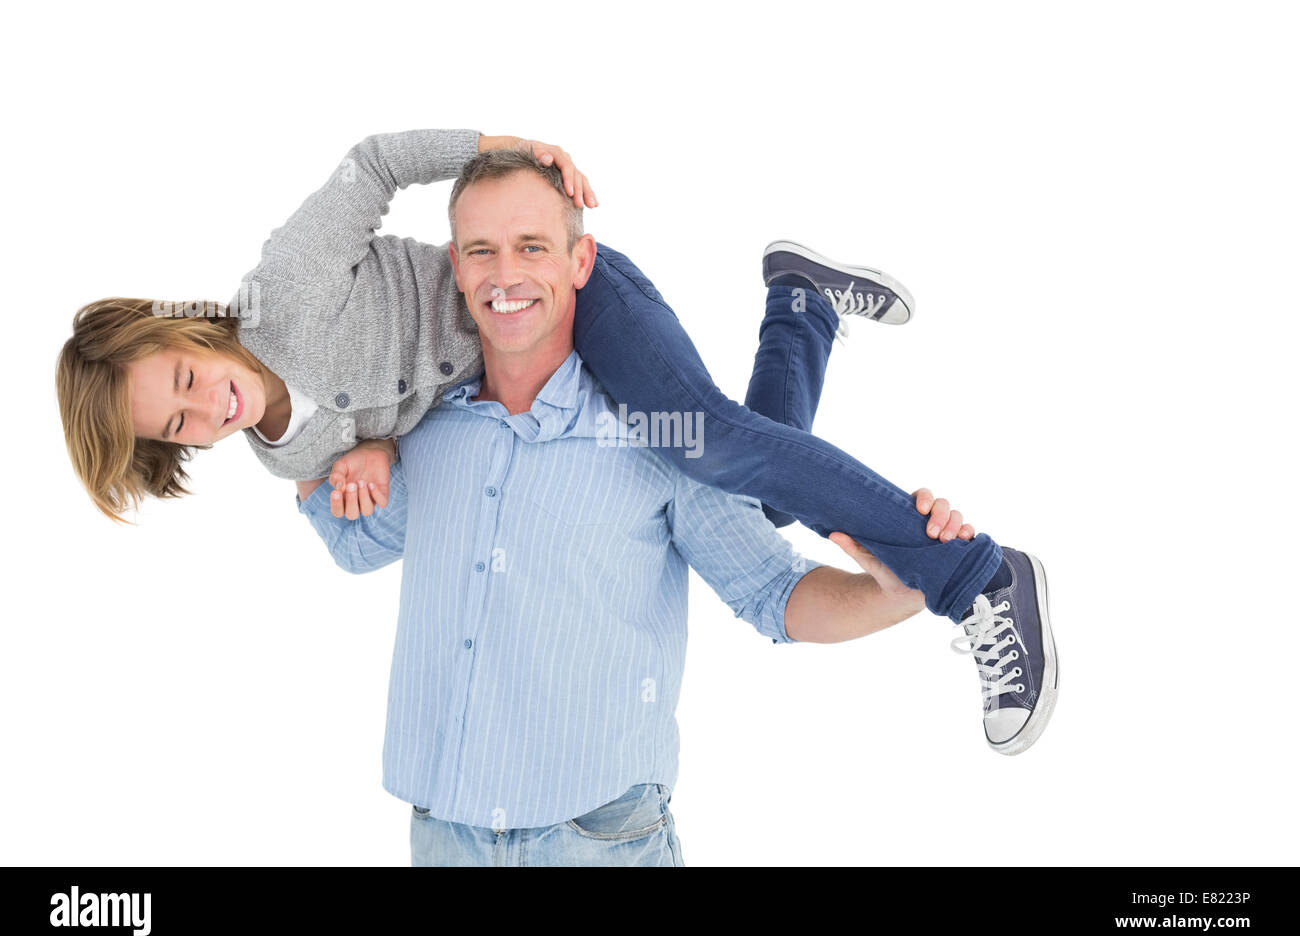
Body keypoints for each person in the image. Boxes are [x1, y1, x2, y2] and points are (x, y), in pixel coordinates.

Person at [55, 129, 1057, 755]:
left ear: (185, 329)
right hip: (521, 357)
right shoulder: (281, 456)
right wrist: (377, 459)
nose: (208, 407)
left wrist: (499, 144)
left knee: (705, 442)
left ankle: (976, 575)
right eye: (179, 425)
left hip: (547, 286)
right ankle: (800, 303)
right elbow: (368, 529)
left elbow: (371, 163)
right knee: (750, 483)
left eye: (186, 377)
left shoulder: (285, 283)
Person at [293, 152, 952, 865]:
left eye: (533, 247)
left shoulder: (658, 436)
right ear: (455, 266)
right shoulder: (424, 427)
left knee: (751, 480)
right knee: (761, 480)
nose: (505, 275)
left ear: (582, 261)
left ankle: (802, 310)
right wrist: (323, 445)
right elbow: (359, 545)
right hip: (441, 838)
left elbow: (772, 592)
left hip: (599, 844)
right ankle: (803, 309)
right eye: (482, 250)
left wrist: (903, 589)